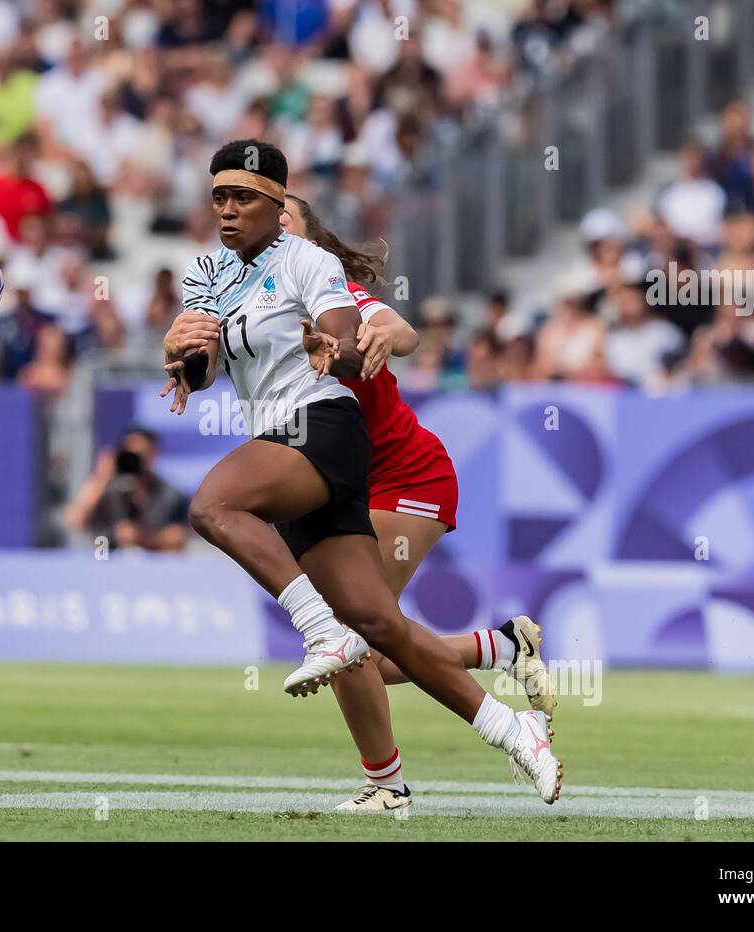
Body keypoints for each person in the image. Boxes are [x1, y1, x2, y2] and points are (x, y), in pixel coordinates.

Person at [159, 139, 562, 807]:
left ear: (285, 214)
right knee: (374, 627)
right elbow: (206, 362)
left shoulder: (313, 267)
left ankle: (330, 646)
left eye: (247, 200)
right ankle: (509, 728)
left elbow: (379, 336)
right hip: (303, 449)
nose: (228, 210)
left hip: (347, 442)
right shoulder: (214, 274)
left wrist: (345, 345)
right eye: (220, 198)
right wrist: (179, 358)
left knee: (214, 508)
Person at [274, 193, 557, 811]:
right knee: (362, 649)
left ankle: (388, 786)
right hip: (344, 484)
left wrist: (380, 336)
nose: (266, 224)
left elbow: (400, 331)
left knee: (348, 637)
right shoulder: (257, 301)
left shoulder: (333, 294)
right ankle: (500, 649)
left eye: (282, 218)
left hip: (406, 477)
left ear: (311, 245)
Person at [64, 426, 189, 553]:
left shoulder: (169, 494)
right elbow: (75, 521)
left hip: (151, 562)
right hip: (106, 559)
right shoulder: (107, 489)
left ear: (154, 454)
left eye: (142, 454)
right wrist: (101, 478)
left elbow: (179, 538)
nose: (136, 461)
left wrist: (143, 537)